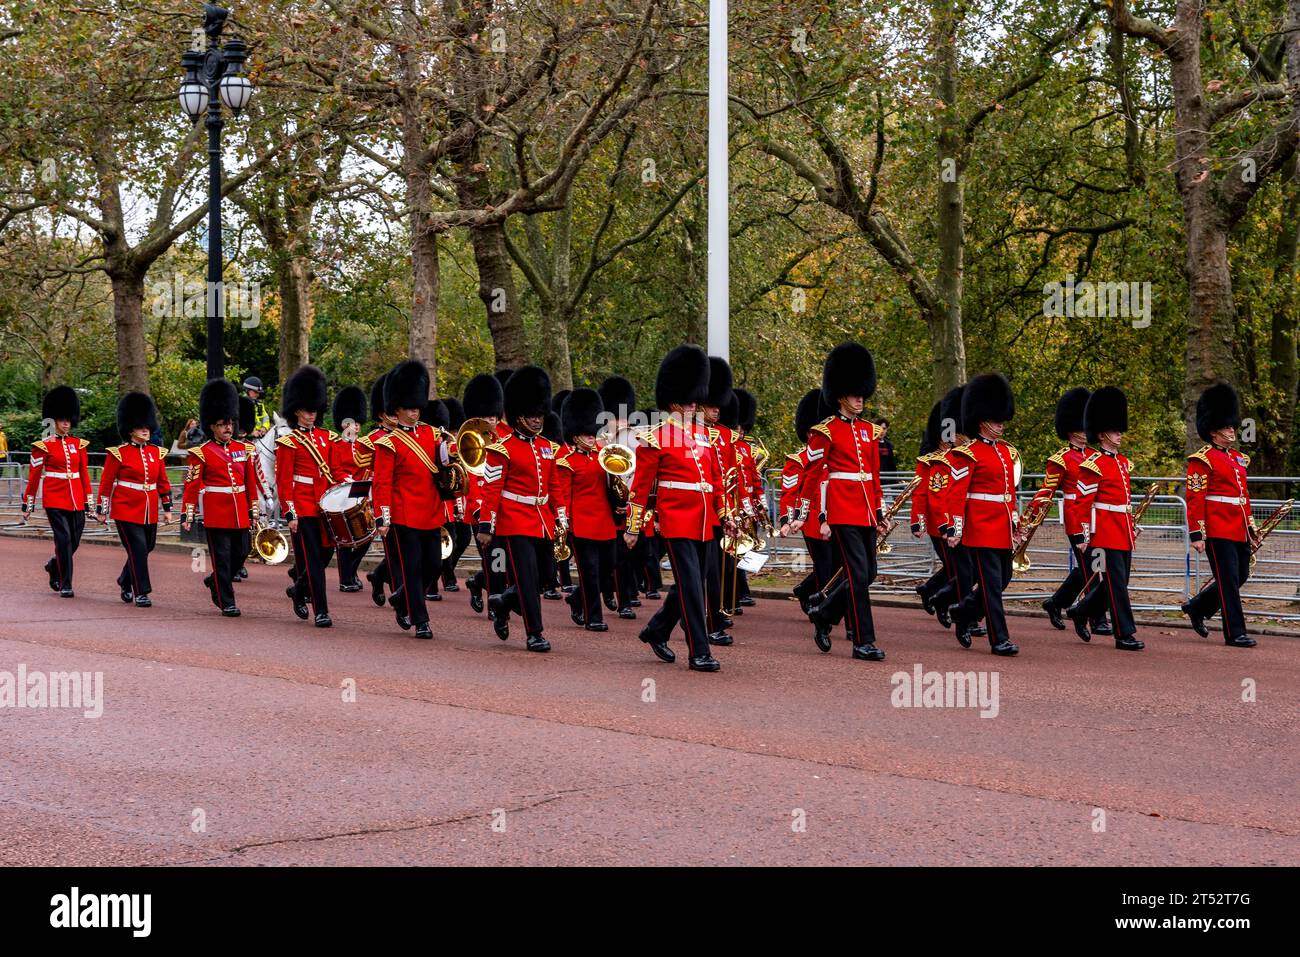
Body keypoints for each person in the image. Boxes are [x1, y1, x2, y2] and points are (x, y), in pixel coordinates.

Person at [627, 346, 733, 672]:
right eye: (688, 400)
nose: (693, 404)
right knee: (690, 585)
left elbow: (715, 480)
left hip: (705, 521)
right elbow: (641, 487)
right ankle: (698, 651)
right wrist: (633, 526)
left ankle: (656, 630)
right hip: (675, 520)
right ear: (673, 401)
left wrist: (725, 515)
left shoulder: (705, 437)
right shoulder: (655, 437)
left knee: (693, 583)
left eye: (694, 400)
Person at [790, 343, 887, 660]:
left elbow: (872, 476)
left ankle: (823, 613)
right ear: (840, 394)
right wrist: (804, 514)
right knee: (857, 574)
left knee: (869, 573)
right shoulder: (824, 431)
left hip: (866, 511)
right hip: (841, 509)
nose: (860, 398)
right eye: (854, 393)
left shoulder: (869, 432)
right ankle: (863, 641)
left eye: (862, 393)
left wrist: (880, 509)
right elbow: (813, 476)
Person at [479, 367, 560, 653]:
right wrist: (486, 527)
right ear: (518, 416)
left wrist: (561, 517)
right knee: (525, 578)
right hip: (514, 520)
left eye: (540, 415)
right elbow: (491, 489)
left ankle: (502, 602)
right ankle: (534, 633)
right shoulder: (501, 449)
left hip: (542, 519)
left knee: (547, 576)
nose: (538, 420)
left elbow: (554, 485)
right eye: (533, 416)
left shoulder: (547, 447)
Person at [372, 361, 454, 640]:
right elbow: (381, 482)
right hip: (404, 514)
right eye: (409, 407)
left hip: (431, 511)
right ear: (397, 409)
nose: (414, 411)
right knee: (413, 566)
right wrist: (382, 516)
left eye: (416, 406)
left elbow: (447, 463)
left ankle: (401, 597)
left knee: (435, 564)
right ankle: (421, 620)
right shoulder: (388, 442)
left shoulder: (432, 434)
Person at [943, 373, 1022, 656]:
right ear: (981, 420)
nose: (1001, 423)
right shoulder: (968, 453)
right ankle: (998, 638)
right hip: (980, 525)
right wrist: (956, 527)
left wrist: (1015, 521)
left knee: (1003, 578)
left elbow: (1009, 492)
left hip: (1001, 524)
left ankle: (963, 611)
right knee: (991, 585)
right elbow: (956, 493)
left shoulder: (1005, 453)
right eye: (995, 418)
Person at [1180, 383, 1259, 648]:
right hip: (1217, 528)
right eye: (1226, 427)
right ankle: (1235, 632)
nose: (1232, 430)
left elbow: (1243, 496)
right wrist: (1197, 533)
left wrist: (1251, 527)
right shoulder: (1202, 460)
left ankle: (1198, 608)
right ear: (1214, 432)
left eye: (1232, 426)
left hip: (1237, 527)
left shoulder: (1237, 459)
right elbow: (1195, 497)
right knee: (1227, 581)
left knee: (1241, 576)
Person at [1065, 387, 1144, 651]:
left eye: (1119, 429)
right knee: (1117, 584)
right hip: (1104, 532)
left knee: (1119, 581)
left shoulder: (1122, 463)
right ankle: (1124, 633)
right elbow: (1081, 503)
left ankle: (1080, 611)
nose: (1120, 433)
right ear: (1102, 434)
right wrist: (1083, 535)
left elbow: (1124, 501)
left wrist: (1132, 524)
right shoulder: (1093, 465)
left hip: (1122, 529)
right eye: (1115, 430)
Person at [182, 379, 260, 616]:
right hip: (217, 513)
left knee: (242, 552)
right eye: (222, 424)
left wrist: (253, 510)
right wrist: (188, 512)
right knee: (223, 559)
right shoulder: (201, 453)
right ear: (212, 427)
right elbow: (192, 485)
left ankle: (215, 581)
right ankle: (227, 601)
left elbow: (251, 483)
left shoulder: (244, 450)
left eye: (230, 423)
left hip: (239, 511)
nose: (228, 428)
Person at [1035, 388, 1110, 636]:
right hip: (1077, 518)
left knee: (1091, 567)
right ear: (1071, 430)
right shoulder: (1061, 459)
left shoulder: (1097, 456)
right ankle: (1097, 618)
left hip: (1099, 517)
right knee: (1091, 569)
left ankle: (1056, 603)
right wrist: (1031, 517)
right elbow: (1047, 490)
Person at [276, 365, 339, 628]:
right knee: (313, 559)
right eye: (306, 410)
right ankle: (321, 610)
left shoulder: (328, 438)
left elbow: (337, 471)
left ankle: (298, 590)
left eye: (314, 410)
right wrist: (290, 512)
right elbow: (283, 480)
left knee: (325, 555)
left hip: (325, 504)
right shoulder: (288, 442)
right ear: (296, 411)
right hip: (302, 505)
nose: (311, 415)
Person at [96, 392, 173, 607]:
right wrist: (102, 509)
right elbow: (106, 483)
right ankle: (142, 592)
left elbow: (163, 483)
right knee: (138, 549)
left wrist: (167, 508)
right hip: (125, 509)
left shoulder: (156, 453)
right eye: (141, 427)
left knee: (146, 547)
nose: (146, 429)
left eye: (147, 426)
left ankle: (124, 579)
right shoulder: (118, 454)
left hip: (149, 509)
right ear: (130, 429)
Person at [554, 388, 618, 631]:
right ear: (575, 435)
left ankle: (576, 598)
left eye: (593, 433)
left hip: (605, 521)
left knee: (607, 569)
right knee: (590, 573)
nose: (592, 437)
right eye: (587, 434)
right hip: (581, 524)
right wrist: (564, 523)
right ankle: (594, 617)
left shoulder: (603, 455)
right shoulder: (567, 460)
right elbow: (563, 494)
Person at [21, 386, 93, 597]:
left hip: (76, 498)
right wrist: (28, 504)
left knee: (75, 541)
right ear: (53, 421)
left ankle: (54, 565)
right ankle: (66, 583)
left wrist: (89, 502)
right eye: (61, 419)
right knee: (64, 540)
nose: (66, 423)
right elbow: (34, 478)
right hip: (54, 498)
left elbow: (85, 476)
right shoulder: (43, 446)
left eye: (68, 420)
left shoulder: (79, 445)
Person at [780, 389, 834, 614]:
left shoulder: (837, 457)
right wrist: (787, 519)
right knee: (824, 568)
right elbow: (789, 492)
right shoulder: (799, 460)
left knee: (837, 567)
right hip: (811, 521)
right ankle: (822, 608)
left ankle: (805, 590)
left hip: (838, 518)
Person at [461, 373, 509, 614]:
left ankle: (478, 582)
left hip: (506, 509)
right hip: (481, 510)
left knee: (502, 562)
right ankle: (496, 602)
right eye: (487, 414)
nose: (491, 418)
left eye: (494, 414)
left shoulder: (506, 435)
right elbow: (471, 476)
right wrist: (481, 509)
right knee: (494, 560)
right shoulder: (469, 437)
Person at [700, 355, 736, 644]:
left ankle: (714, 616)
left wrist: (729, 512)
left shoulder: (726, 435)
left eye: (716, 406)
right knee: (703, 573)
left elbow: (729, 475)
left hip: (718, 510)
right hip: (697, 511)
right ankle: (708, 618)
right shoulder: (691, 435)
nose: (715, 411)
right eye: (710, 406)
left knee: (716, 569)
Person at [360, 373, 395, 607]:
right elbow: (363, 473)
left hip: (403, 497)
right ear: (382, 415)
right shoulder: (371, 440)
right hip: (380, 495)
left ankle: (380, 575)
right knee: (395, 547)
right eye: (391, 412)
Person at [331, 384, 369, 593]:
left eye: (358, 423)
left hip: (360, 494)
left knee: (367, 536)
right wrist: (346, 480)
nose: (357, 427)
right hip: (341, 494)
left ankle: (352, 570)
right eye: (353, 423)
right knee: (345, 538)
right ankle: (346, 578)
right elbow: (334, 469)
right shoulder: (335, 445)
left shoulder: (363, 447)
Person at [440, 397, 473, 593]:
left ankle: (448, 569)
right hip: (444, 501)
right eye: (451, 431)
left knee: (464, 537)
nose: (454, 434)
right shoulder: (441, 446)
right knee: (448, 538)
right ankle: (447, 575)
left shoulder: (461, 444)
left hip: (460, 500)